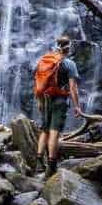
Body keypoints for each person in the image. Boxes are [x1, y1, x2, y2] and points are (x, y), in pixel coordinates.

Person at [33, 33, 83, 175]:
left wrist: (39, 100)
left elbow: (37, 81)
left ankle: (38, 162)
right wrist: (77, 106)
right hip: (60, 101)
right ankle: (51, 166)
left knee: (45, 130)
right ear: (68, 48)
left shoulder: (45, 60)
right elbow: (73, 88)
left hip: (45, 99)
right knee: (54, 133)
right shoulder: (69, 64)